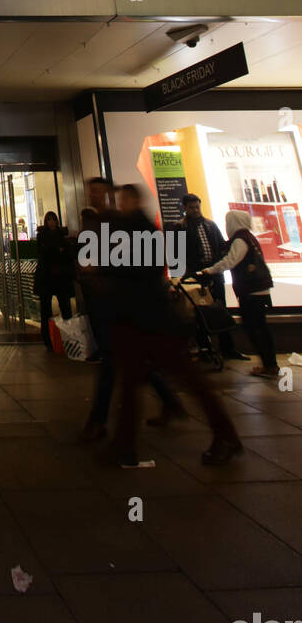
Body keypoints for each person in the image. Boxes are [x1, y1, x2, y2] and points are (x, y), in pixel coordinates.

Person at [106, 182, 241, 467]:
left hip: (153, 323)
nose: (121, 204)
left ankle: (225, 434)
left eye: (125, 200)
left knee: (189, 381)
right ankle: (125, 444)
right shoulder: (136, 230)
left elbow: (139, 273)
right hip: (143, 322)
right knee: (136, 384)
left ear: (135, 201)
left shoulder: (139, 232)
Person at [77, 184, 184, 443]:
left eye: (96, 192)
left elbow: (139, 264)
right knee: (127, 364)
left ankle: (103, 426)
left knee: (116, 364)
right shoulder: (100, 222)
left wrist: (101, 269)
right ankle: (166, 404)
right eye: (90, 192)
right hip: (118, 305)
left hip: (128, 307)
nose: (92, 196)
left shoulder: (123, 223)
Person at [202, 210, 279, 378]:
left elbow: (230, 261)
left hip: (252, 291)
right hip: (258, 290)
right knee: (260, 328)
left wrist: (209, 270)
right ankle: (270, 364)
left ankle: (269, 365)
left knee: (255, 328)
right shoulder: (249, 237)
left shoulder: (240, 240)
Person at [181, 194, 249, 361]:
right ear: (185, 209)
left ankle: (228, 349)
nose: (195, 210)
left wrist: (217, 266)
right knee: (199, 313)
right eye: (191, 207)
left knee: (221, 310)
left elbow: (220, 246)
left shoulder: (210, 225)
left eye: (197, 207)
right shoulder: (180, 228)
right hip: (196, 277)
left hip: (215, 275)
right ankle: (205, 347)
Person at [34, 211, 72, 351]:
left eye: (53, 219)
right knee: (46, 310)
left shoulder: (61, 235)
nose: (51, 222)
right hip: (47, 277)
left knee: (64, 307)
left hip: (59, 277)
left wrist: (55, 251)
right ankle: (48, 339)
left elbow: (63, 253)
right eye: (49, 220)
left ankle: (68, 337)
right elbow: (44, 254)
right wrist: (58, 251)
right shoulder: (43, 236)